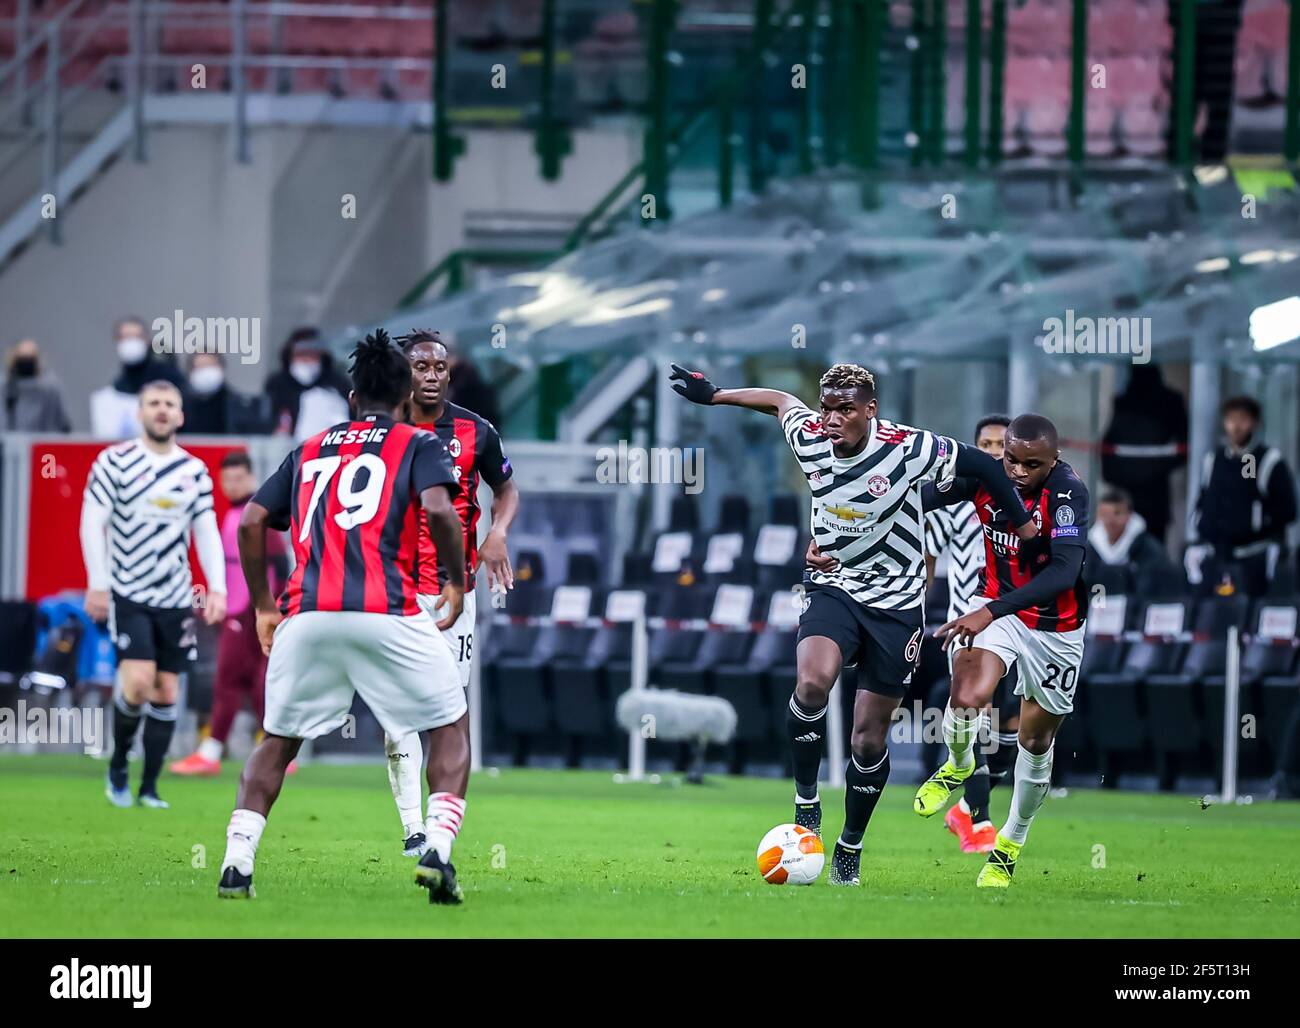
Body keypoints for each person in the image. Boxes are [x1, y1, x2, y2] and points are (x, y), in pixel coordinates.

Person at [670, 362, 1035, 886]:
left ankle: (850, 847)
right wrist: (717, 396)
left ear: (871, 410)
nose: (833, 418)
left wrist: (1022, 524)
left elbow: (987, 465)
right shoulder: (810, 436)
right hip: (834, 586)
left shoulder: (907, 446)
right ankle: (806, 802)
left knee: (868, 738)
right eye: (827, 408)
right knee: (812, 682)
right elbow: (778, 399)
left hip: (898, 603)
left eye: (846, 409)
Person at [219, 330, 469, 904]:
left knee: (278, 741)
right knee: (449, 727)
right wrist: (454, 583)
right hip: (388, 610)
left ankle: (237, 861)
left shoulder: (309, 449)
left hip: (306, 614)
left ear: (351, 400)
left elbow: (252, 522)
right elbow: (440, 511)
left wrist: (262, 605)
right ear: (407, 397)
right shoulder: (416, 443)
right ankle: (437, 848)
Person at [916, 413, 1090, 888]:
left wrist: (989, 611)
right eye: (1010, 459)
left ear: (1053, 460)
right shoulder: (987, 477)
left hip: (1056, 627)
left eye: (1030, 464)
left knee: (1035, 743)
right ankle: (958, 764)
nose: (1016, 471)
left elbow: (1061, 573)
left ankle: (1010, 844)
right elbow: (916, 500)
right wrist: (845, 532)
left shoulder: (1069, 494)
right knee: (967, 696)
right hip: (994, 608)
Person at [384, 330, 520, 857]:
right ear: (405, 372)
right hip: (391, 590)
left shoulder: (475, 430)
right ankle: (413, 830)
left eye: (440, 366)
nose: (433, 375)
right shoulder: (385, 428)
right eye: (421, 367)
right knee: (398, 711)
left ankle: (440, 829)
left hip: (452, 592)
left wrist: (498, 531)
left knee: (450, 709)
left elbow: (505, 488)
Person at [79, 381, 228, 809]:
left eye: (169, 404)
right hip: (128, 592)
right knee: (139, 682)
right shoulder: (113, 462)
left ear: (180, 416)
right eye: (153, 404)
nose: (161, 411)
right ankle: (119, 766)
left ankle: (149, 786)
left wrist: (215, 586)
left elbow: (206, 532)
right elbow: (92, 523)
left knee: (166, 691)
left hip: (176, 598)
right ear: (139, 413)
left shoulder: (193, 471)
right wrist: (98, 581)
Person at [170, 451, 288, 776]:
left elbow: (280, 564)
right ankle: (274, 749)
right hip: (245, 608)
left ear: (251, 478)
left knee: (229, 679)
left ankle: (213, 752)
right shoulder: (238, 514)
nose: (232, 484)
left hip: (251, 610)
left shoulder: (254, 515)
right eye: (227, 479)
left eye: (239, 478)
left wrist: (272, 605)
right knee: (254, 679)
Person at [1187, 395, 1297, 598]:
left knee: (1249, 610)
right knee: (1212, 611)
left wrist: (1259, 524)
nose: (1236, 426)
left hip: (1254, 555)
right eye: (1231, 419)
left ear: (1255, 423)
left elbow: (1287, 509)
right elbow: (1204, 498)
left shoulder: (1268, 460)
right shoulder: (1214, 459)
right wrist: (1200, 524)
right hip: (1215, 553)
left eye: (1243, 419)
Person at [1100, 366, 1187, 543]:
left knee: (1149, 549)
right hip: (1127, 491)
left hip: (1152, 494)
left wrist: (1153, 468)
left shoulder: (1170, 401)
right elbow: (1109, 443)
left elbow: (1183, 447)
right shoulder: (1124, 401)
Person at [90, 317, 186, 440]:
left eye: (136, 336)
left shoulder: (167, 377)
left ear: (146, 340)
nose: (131, 342)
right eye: (126, 337)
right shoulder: (111, 393)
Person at [264, 328, 350, 440]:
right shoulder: (277, 384)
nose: (306, 360)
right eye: (301, 354)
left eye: (311, 355)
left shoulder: (337, 385)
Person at [1085, 486, 1174, 593]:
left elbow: (1154, 587)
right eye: (1104, 515)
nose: (1110, 521)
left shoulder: (1149, 548)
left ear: (1129, 515)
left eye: (1117, 513)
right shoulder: (1089, 548)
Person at [180, 353, 269, 435]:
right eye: (199, 367)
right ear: (190, 372)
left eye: (209, 366)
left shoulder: (239, 405)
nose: (205, 372)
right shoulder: (179, 405)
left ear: (221, 368)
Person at [3, 338, 71, 432]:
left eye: (29, 357)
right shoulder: (5, 391)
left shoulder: (51, 391)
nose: (26, 362)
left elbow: (62, 425)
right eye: (23, 358)